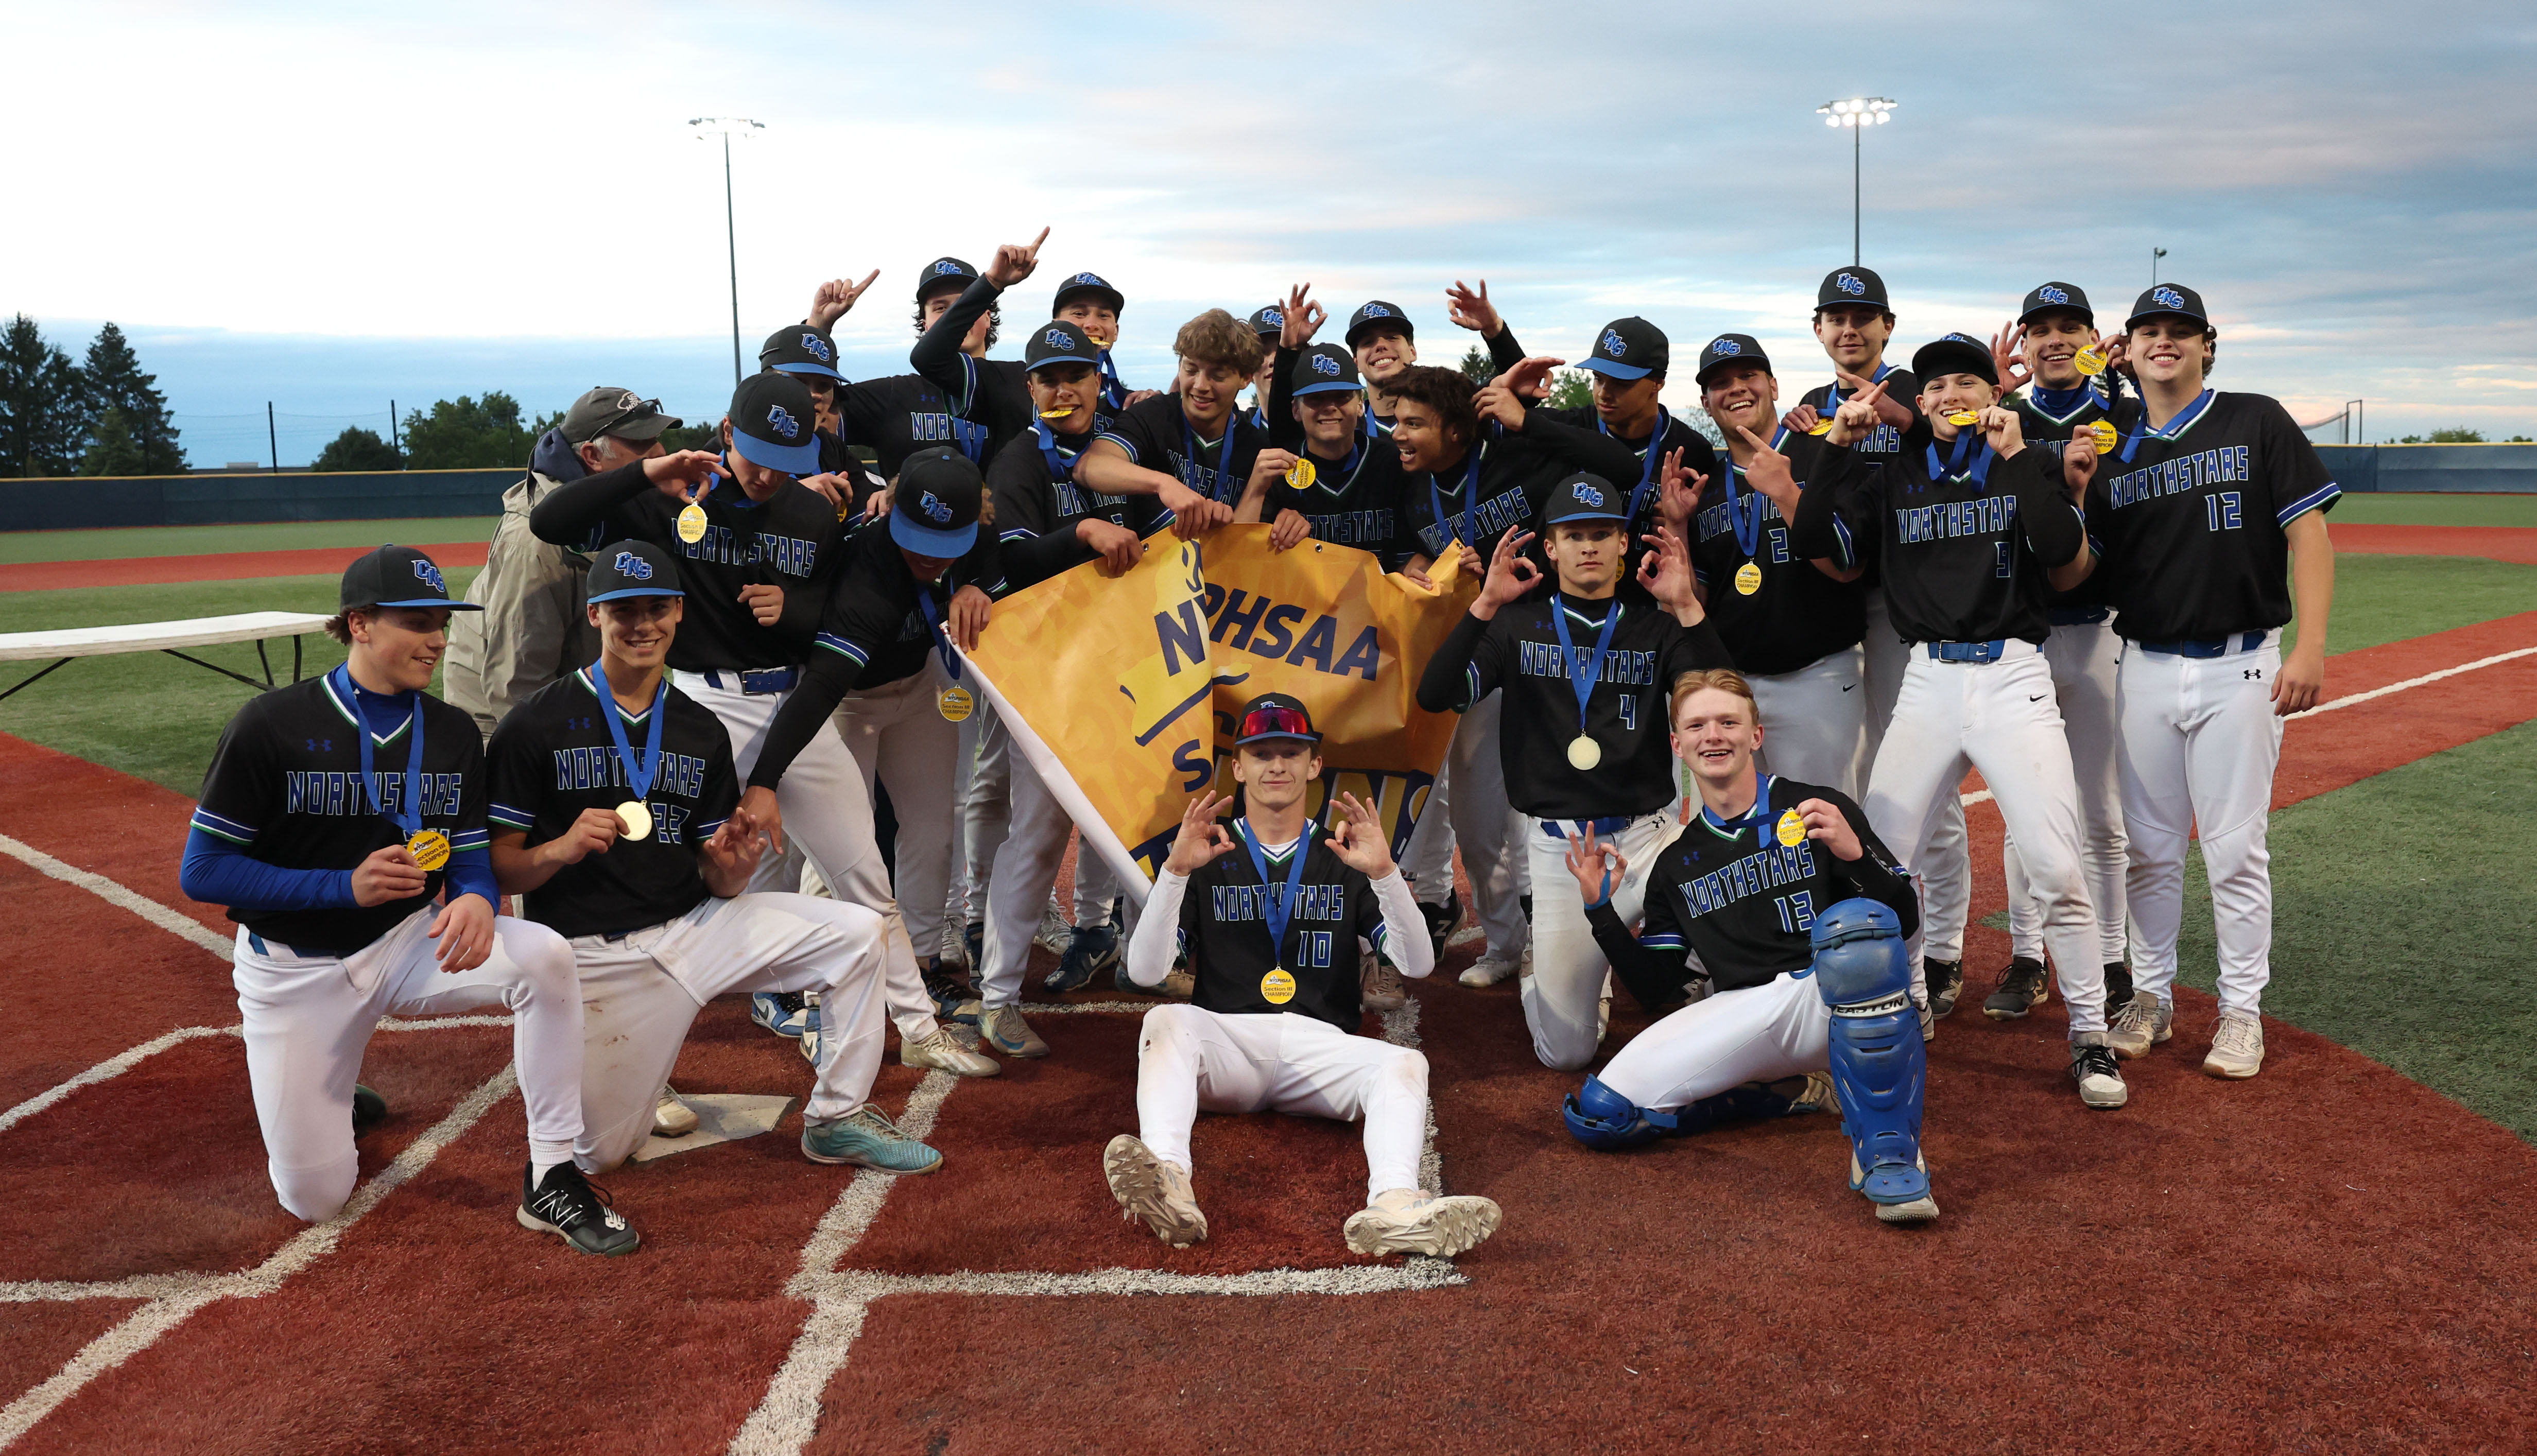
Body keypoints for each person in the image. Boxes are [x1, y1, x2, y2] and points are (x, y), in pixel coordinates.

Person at [526, 373, 988, 1080]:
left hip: (797, 705)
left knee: (863, 875)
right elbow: (550, 522)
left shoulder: (810, 513)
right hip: (698, 706)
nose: (770, 472)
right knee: (656, 877)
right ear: (725, 431)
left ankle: (917, 1026)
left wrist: (796, 607)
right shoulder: (669, 498)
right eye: (756, 452)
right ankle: (634, 1062)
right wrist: (647, 470)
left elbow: (829, 613)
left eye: (787, 455)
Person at [179, 545, 636, 1255]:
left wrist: (479, 897)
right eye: (417, 622)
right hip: (297, 969)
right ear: (358, 624)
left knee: (543, 956)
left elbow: (473, 856)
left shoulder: (452, 732)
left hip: (407, 942)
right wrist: (341, 887)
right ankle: (327, 1087)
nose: (437, 639)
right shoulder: (270, 724)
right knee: (316, 1200)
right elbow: (202, 871)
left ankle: (552, 1172)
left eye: (442, 623)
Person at [484, 541, 941, 1178]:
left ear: (678, 612)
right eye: (623, 610)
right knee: (600, 1154)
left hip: (693, 929)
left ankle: (838, 1117)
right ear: (595, 616)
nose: (641, 624)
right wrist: (557, 850)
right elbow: (500, 869)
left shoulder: (699, 728)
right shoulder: (535, 723)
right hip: (596, 953)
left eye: (655, 608)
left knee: (858, 931)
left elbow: (717, 882)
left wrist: (734, 865)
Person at [1789, 333, 2129, 1111]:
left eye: (1966, 383)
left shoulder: (2028, 460)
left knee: (2054, 864)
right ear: (1921, 399)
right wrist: (1835, 448)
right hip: (1926, 679)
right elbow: (1814, 540)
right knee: (1878, 860)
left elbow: (2055, 549)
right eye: (1936, 384)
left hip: (2012, 674)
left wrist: (2017, 461)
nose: (1950, 395)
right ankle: (1905, 999)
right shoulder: (1892, 473)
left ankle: (2087, 1035)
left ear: (1991, 396)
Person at [1104, 694, 1502, 1258]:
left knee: (1404, 1062)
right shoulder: (1208, 850)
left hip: (1321, 1045)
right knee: (1165, 1018)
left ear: (1314, 764)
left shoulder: (1345, 852)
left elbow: (1417, 964)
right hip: (1229, 1043)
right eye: (1261, 753)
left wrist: (1386, 873)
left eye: (1290, 752)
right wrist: (1173, 871)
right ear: (1237, 766)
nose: (1276, 765)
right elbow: (1146, 971)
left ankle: (1393, 1204)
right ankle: (1168, 1179)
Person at [1558, 670, 1935, 1225]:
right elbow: (1656, 989)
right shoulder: (1676, 864)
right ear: (1677, 744)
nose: (1713, 735)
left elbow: (1900, 918)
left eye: (1728, 722)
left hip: (1829, 997)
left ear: (1755, 735)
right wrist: (1600, 912)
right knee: (1602, 1115)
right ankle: (1780, 1094)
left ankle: (1885, 1154)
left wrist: (1855, 856)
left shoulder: (1816, 806)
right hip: (1746, 1013)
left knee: (1860, 933)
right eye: (1697, 725)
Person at [2087, 284, 2337, 1080]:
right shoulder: (2113, 441)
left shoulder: (2254, 417)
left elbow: (2309, 534)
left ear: (2206, 343)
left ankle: (2238, 1012)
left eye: (2179, 331)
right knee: (2150, 854)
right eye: (2148, 332)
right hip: (2145, 668)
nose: (2164, 342)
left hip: (2240, 666)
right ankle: (2152, 997)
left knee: (2234, 852)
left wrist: (2309, 647)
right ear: (2124, 348)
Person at [1415, 474, 1730, 1070]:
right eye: (1574, 535)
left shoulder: (1656, 627)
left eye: (1603, 534)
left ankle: (1686, 967)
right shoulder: (1514, 627)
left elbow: (1724, 700)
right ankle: (1561, 959)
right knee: (1566, 1052)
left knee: (1734, 900)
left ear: (1622, 547)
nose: (1589, 546)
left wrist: (1687, 604)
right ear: (1550, 548)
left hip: (1648, 838)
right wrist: (1484, 603)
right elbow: (1437, 695)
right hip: (1563, 849)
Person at [731, 447, 1014, 1070]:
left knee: (935, 831)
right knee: (839, 850)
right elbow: (820, 689)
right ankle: (815, 994)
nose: (931, 554)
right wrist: (766, 780)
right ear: (891, 509)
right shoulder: (871, 578)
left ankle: (918, 968)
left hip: (917, 689)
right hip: (847, 703)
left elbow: (999, 554)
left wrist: (974, 581)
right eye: (918, 536)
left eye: (949, 541)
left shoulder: (970, 533)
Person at [1391, 362, 1645, 991]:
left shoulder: (1517, 453)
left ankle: (1585, 939)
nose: (1396, 432)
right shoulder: (1406, 481)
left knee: (1556, 809)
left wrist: (1526, 417)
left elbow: (1623, 467)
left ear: (1456, 429)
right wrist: (1421, 561)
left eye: (1413, 422)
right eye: (1395, 419)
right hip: (1475, 655)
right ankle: (1506, 941)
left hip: (1548, 654)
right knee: (1478, 824)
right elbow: (1398, 543)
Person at [1779, 268, 1974, 1026]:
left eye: (1863, 317)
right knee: (1866, 784)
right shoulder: (1809, 411)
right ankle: (1855, 929)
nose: (1848, 329)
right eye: (1835, 317)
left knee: (1926, 790)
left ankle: (1944, 949)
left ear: (1887, 326)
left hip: (1907, 610)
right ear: (1817, 328)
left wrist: (1907, 415)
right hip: (1834, 611)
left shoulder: (1919, 394)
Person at [972, 321, 1175, 1017]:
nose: (1064, 389)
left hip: (1129, 665)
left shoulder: (1121, 451)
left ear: (1099, 380)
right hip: (1049, 675)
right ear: (1029, 388)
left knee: (1143, 818)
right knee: (1035, 836)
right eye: (1049, 378)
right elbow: (1016, 562)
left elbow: (1163, 542)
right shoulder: (1018, 461)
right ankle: (997, 995)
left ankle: (1144, 952)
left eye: (1078, 375)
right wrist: (1084, 533)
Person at [1983, 283, 2134, 1021]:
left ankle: (2111, 960)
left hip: (2100, 625)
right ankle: (2023, 955)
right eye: (2038, 328)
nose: (2050, 339)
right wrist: (1988, 391)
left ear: (2089, 336)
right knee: (2024, 810)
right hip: (2025, 635)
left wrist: (2125, 379)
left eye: (2066, 327)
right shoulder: (2004, 416)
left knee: (2101, 812)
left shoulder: (2122, 413)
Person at [1676, 334, 1868, 796]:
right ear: (1705, 401)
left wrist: (1786, 492)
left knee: (1821, 824)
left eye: (1748, 376)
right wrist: (1678, 527)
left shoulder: (1822, 452)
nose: (1737, 388)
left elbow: (1848, 566)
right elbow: (1698, 598)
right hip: (1731, 685)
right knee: (1736, 838)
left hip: (1815, 676)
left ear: (1774, 386)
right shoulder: (1706, 486)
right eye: (1721, 383)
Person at [445, 386, 681, 743]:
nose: (659, 451)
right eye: (639, 442)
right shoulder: (534, 541)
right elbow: (516, 679)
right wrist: (553, 766)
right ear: (592, 455)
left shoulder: (627, 508)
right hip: (504, 724)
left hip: (581, 701)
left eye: (656, 436)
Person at [1527, 315, 1722, 543]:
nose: (1603, 393)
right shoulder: (1566, 427)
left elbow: (1708, 541)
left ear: (1657, 382)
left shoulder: (1692, 450)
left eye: (1621, 383)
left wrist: (1685, 525)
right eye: (1598, 379)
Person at [1076, 307, 1281, 523]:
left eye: (1218, 376)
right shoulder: (1155, 414)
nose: (1201, 386)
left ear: (1245, 379)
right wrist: (1163, 484)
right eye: (1191, 370)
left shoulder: (1256, 447)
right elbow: (1089, 465)